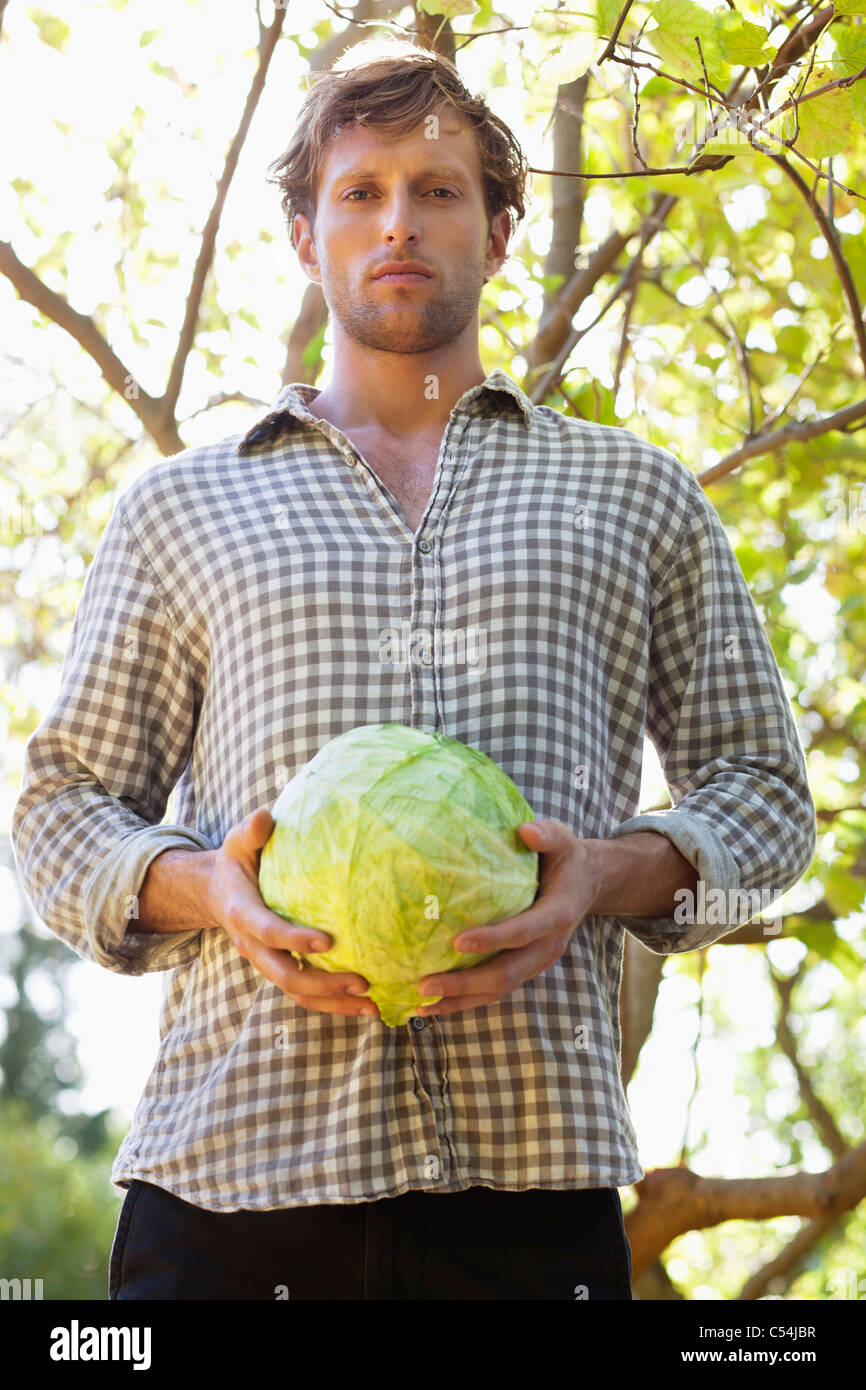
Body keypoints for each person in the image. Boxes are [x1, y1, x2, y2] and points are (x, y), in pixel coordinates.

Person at [11, 39, 816, 1301]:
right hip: (228, 1191)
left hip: (530, 1193)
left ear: (498, 233)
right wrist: (206, 889)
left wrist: (598, 878)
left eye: (437, 190)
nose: (398, 222)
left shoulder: (635, 495)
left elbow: (765, 795)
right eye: (360, 191)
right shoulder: (180, 509)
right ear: (301, 235)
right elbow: (59, 812)